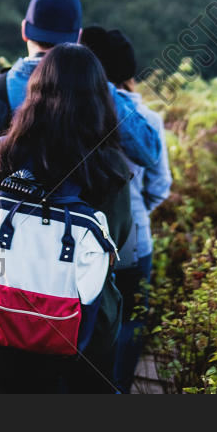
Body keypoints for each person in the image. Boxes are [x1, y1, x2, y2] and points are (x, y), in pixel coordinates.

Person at [0, 43, 133, 392]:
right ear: (99, 101)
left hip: (3, 314)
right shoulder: (110, 169)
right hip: (83, 328)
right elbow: (115, 241)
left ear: (33, 90)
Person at [0, 0, 163, 206]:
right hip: (76, 233)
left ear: (24, 30)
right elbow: (149, 151)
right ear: (78, 37)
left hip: (5, 229)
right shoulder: (97, 89)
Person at [80, 25, 172, 393]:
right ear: (129, 73)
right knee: (133, 316)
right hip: (134, 239)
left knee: (92, 313)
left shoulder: (80, 116)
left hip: (89, 237)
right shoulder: (147, 120)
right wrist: (137, 212)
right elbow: (160, 185)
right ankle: (118, 386)